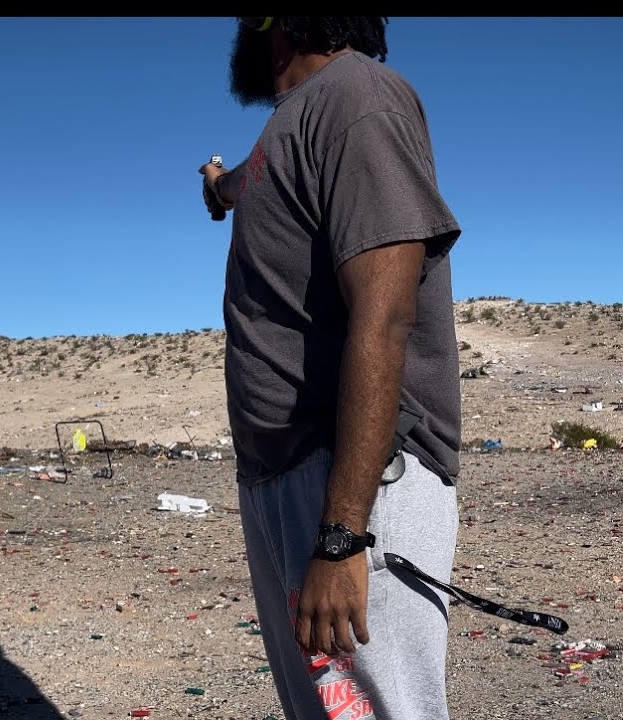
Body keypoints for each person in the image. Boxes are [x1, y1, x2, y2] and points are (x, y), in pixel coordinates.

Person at [199, 17, 462, 720]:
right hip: (285, 478)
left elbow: (386, 315)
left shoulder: (358, 101)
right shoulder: (289, 127)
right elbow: (246, 184)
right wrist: (218, 186)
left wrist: (344, 534)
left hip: (355, 481)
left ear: (276, 27)